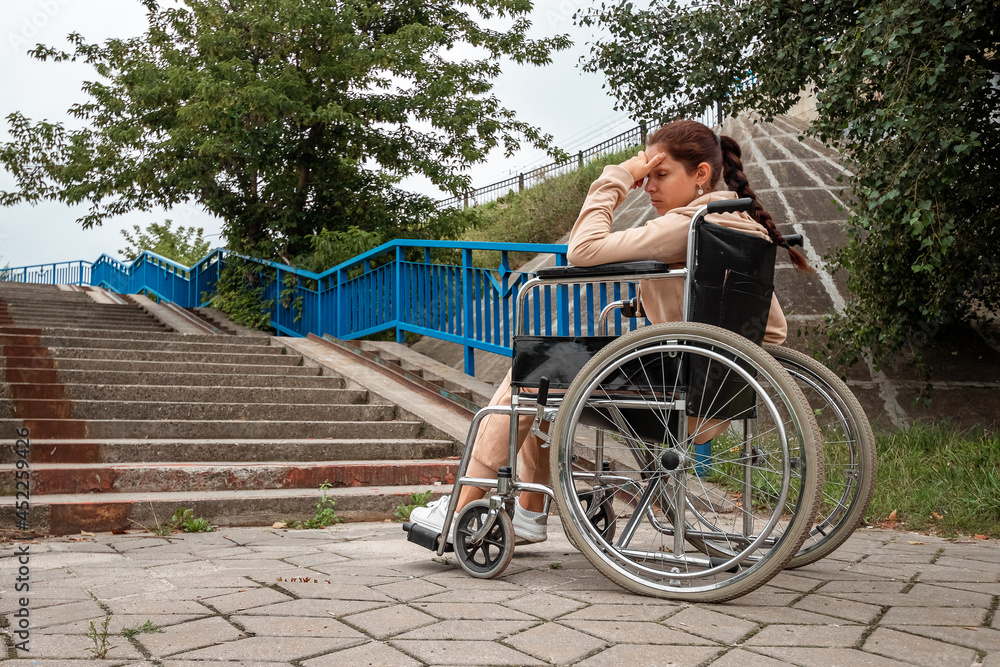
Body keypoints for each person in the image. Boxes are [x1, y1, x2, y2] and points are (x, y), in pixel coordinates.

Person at [410, 119, 811, 543]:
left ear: (700, 175)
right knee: (547, 374)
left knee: (531, 374)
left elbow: (581, 251)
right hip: (715, 388)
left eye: (660, 175)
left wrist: (617, 177)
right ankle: (527, 513)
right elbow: (769, 329)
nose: (650, 186)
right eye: (646, 176)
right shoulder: (741, 225)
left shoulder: (687, 226)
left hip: (675, 394)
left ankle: (461, 506)